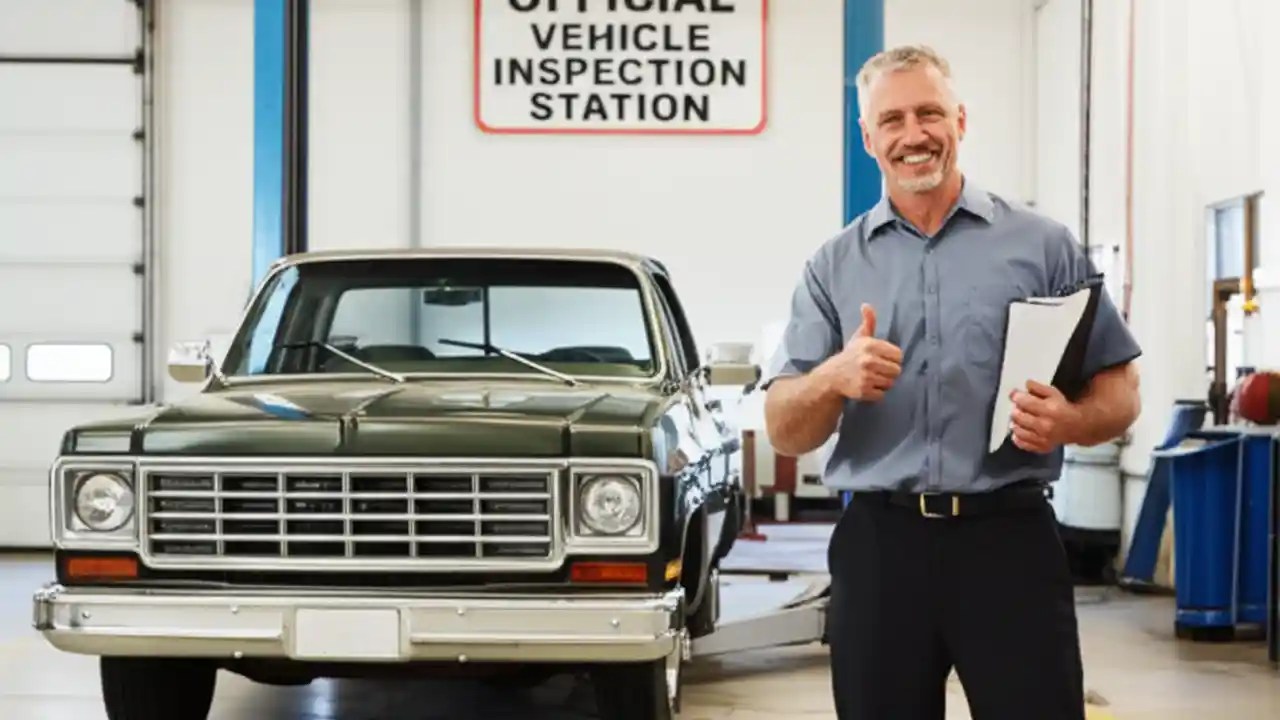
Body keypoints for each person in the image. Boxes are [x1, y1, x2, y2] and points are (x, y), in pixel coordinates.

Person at [761, 45, 1143, 720]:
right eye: (894, 119)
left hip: (1010, 541)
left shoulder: (1044, 247)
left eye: (929, 112)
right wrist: (831, 378)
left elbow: (1121, 392)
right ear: (868, 137)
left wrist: (1071, 422)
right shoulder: (833, 267)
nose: (914, 135)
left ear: (960, 120)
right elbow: (786, 429)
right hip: (884, 547)